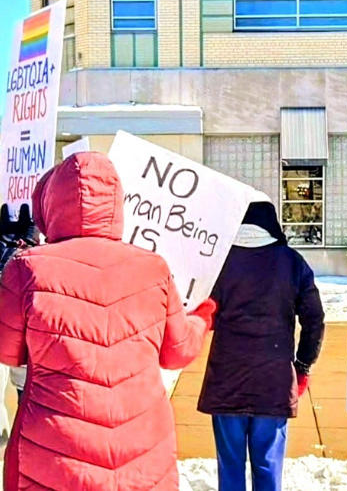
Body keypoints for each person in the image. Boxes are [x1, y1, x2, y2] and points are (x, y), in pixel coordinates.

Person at [0, 153, 216, 490]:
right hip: (141, 454)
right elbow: (179, 351)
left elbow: (7, 351)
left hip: (54, 457)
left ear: (50, 203)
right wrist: (203, 317)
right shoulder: (152, 268)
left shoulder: (27, 268)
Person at [197, 200, 325, 491]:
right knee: (268, 466)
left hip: (226, 380)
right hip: (274, 380)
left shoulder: (221, 262)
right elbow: (315, 319)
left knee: (229, 468)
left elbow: (205, 313)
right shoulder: (292, 263)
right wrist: (303, 365)